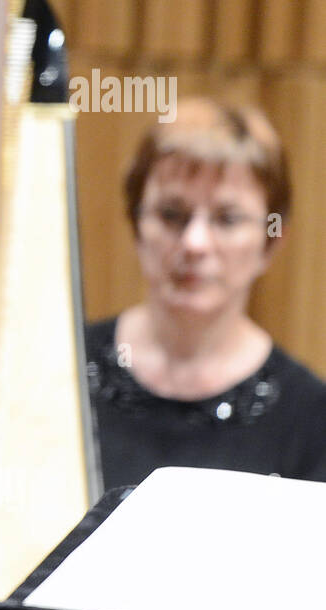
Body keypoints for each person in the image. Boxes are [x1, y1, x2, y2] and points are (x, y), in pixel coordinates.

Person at [86, 97, 326, 489]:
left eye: (227, 219)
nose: (194, 243)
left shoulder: (313, 418)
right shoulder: (61, 372)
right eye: (171, 214)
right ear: (135, 223)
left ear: (272, 241)